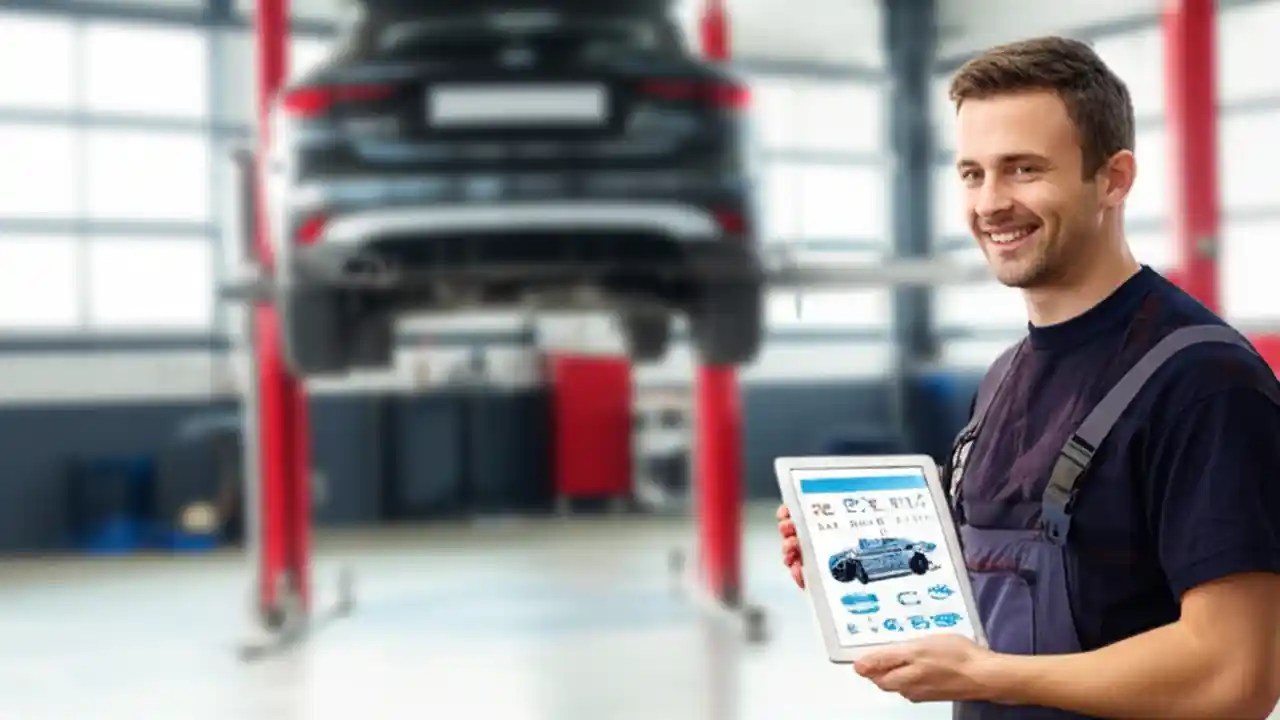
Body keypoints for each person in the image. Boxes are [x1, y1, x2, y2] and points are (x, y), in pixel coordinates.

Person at [777, 36, 1280, 719]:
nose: (990, 203)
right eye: (972, 173)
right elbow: (1000, 605)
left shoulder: (1204, 385)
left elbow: (1235, 674)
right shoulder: (1003, 379)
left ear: (1113, 178)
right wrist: (865, 574)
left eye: (1022, 169)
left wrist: (990, 674)